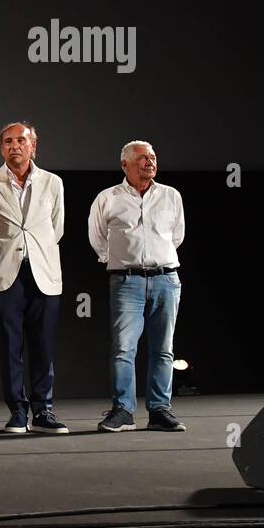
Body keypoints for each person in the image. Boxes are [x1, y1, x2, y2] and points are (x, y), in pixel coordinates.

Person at [0, 121, 68, 434]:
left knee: (42, 345)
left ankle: (44, 410)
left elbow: (57, 227)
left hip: (43, 273)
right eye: (9, 141)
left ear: (33, 146)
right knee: (10, 346)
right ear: (1, 148)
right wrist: (9, 250)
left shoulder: (52, 182)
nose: (16, 146)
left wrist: (35, 250)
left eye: (22, 140)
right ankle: (17, 412)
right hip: (5, 275)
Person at [89, 140, 186, 433]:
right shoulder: (108, 198)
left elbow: (176, 236)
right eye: (143, 158)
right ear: (125, 165)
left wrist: (157, 260)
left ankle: (159, 411)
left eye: (153, 157)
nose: (150, 161)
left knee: (163, 349)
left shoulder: (171, 196)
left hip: (166, 280)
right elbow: (97, 237)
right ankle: (123, 411)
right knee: (123, 348)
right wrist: (120, 259)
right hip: (126, 281)